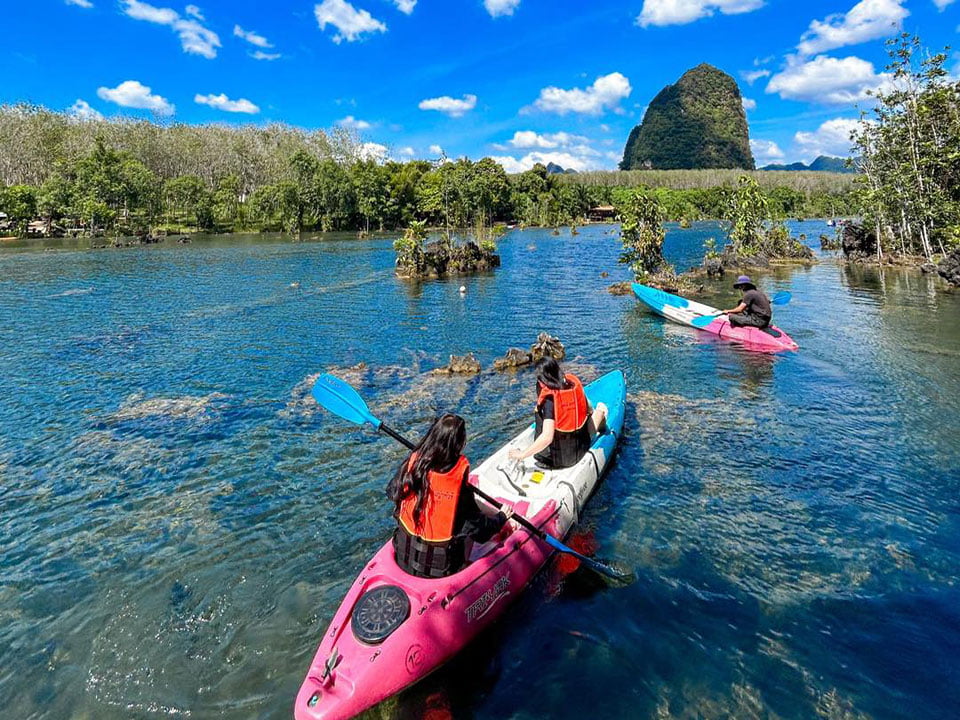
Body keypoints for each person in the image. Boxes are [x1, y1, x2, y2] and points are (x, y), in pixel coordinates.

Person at [386, 413, 511, 578]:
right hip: (439, 571)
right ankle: (463, 568)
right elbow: (480, 531)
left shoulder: (411, 470)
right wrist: (501, 518)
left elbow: (392, 492)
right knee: (466, 531)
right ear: (458, 445)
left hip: (402, 557)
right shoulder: (456, 490)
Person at [508, 358, 608, 469]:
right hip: (578, 451)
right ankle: (604, 430)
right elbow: (589, 410)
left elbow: (547, 437)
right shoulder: (573, 387)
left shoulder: (549, 401)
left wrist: (522, 455)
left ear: (542, 381)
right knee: (599, 413)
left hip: (549, 458)